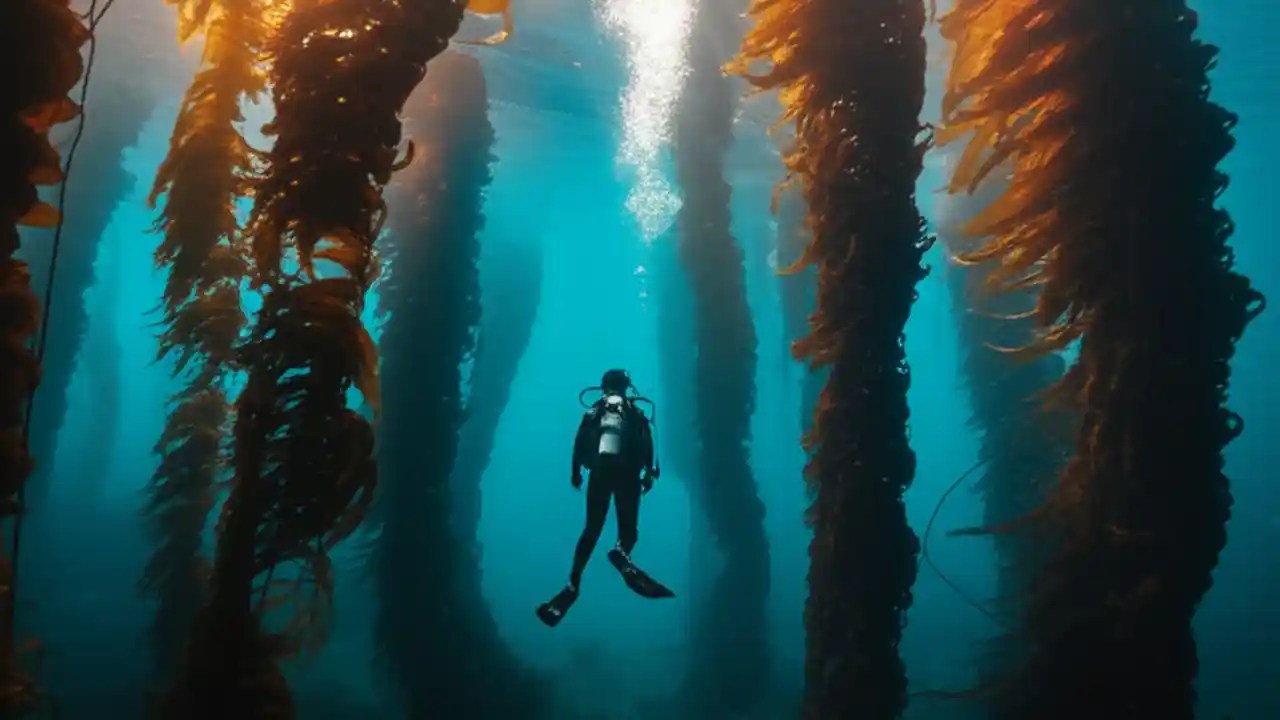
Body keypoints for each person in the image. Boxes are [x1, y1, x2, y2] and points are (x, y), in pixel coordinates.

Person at [537, 369, 673, 627]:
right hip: (628, 477)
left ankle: (573, 583)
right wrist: (648, 475)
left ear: (603, 386)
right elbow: (648, 448)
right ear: (626, 387)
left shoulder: (594, 412)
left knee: (591, 530)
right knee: (629, 531)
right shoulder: (636, 413)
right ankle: (620, 552)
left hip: (599, 475)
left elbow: (579, 444)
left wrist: (575, 473)